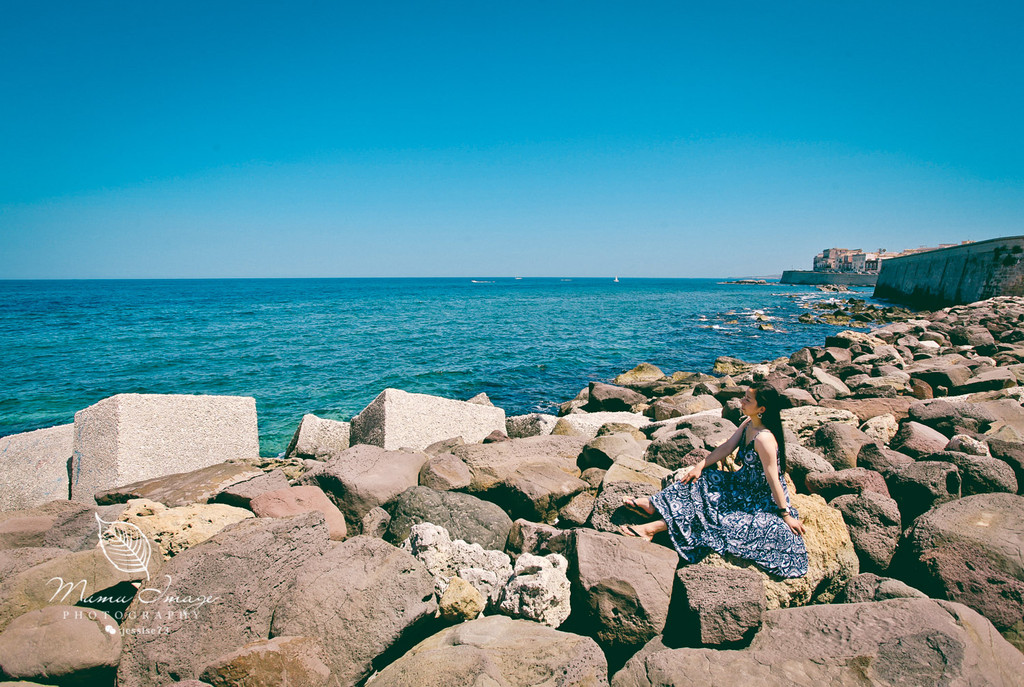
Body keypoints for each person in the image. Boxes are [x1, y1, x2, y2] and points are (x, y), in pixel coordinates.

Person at [618, 383, 808, 578]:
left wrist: (785, 514)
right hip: (740, 483)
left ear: (762, 409)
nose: (741, 402)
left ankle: (652, 528)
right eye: (743, 397)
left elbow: (773, 479)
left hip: (757, 497)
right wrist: (700, 466)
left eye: (747, 400)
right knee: (695, 482)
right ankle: (652, 504)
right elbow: (727, 447)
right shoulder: (748, 424)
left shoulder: (764, 439)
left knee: (713, 512)